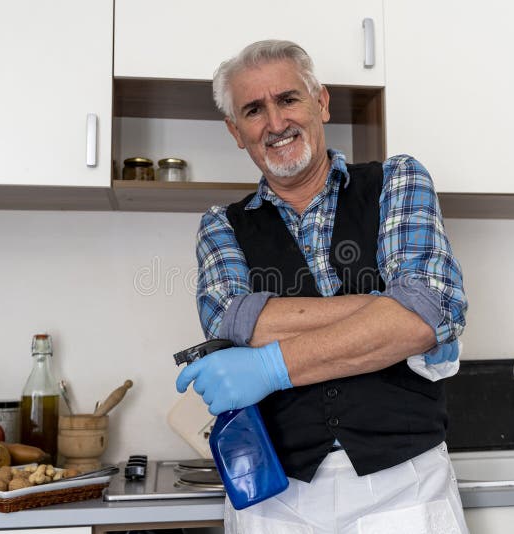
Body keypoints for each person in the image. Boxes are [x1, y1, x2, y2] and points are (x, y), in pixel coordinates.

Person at [175, 40, 469, 534]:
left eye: (288, 99)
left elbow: (426, 310)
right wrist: (393, 311)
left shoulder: (398, 180)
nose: (275, 123)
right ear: (235, 131)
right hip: (276, 498)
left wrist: (272, 364)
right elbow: (232, 322)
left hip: (406, 488)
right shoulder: (220, 226)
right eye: (253, 109)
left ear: (321, 103)